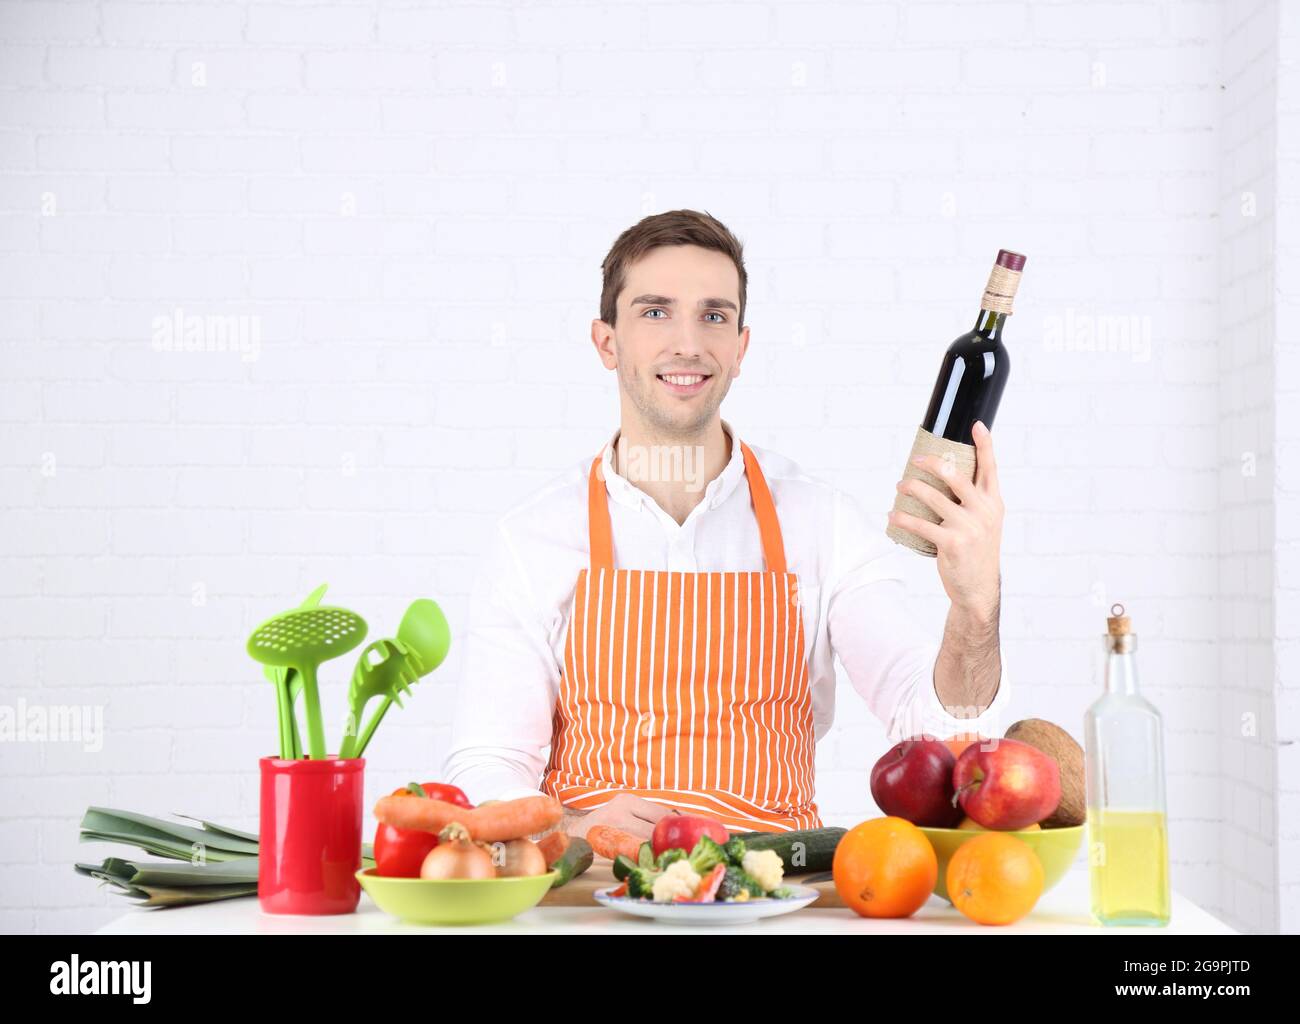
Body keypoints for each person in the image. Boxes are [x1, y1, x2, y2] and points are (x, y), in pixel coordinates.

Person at [443, 209, 1009, 840]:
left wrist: (974, 608)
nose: (688, 343)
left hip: (772, 887)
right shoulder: (533, 538)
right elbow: (488, 764)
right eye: (655, 312)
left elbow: (938, 733)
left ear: (740, 347)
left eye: (713, 315)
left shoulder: (822, 522)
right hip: (594, 889)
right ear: (608, 342)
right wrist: (575, 829)